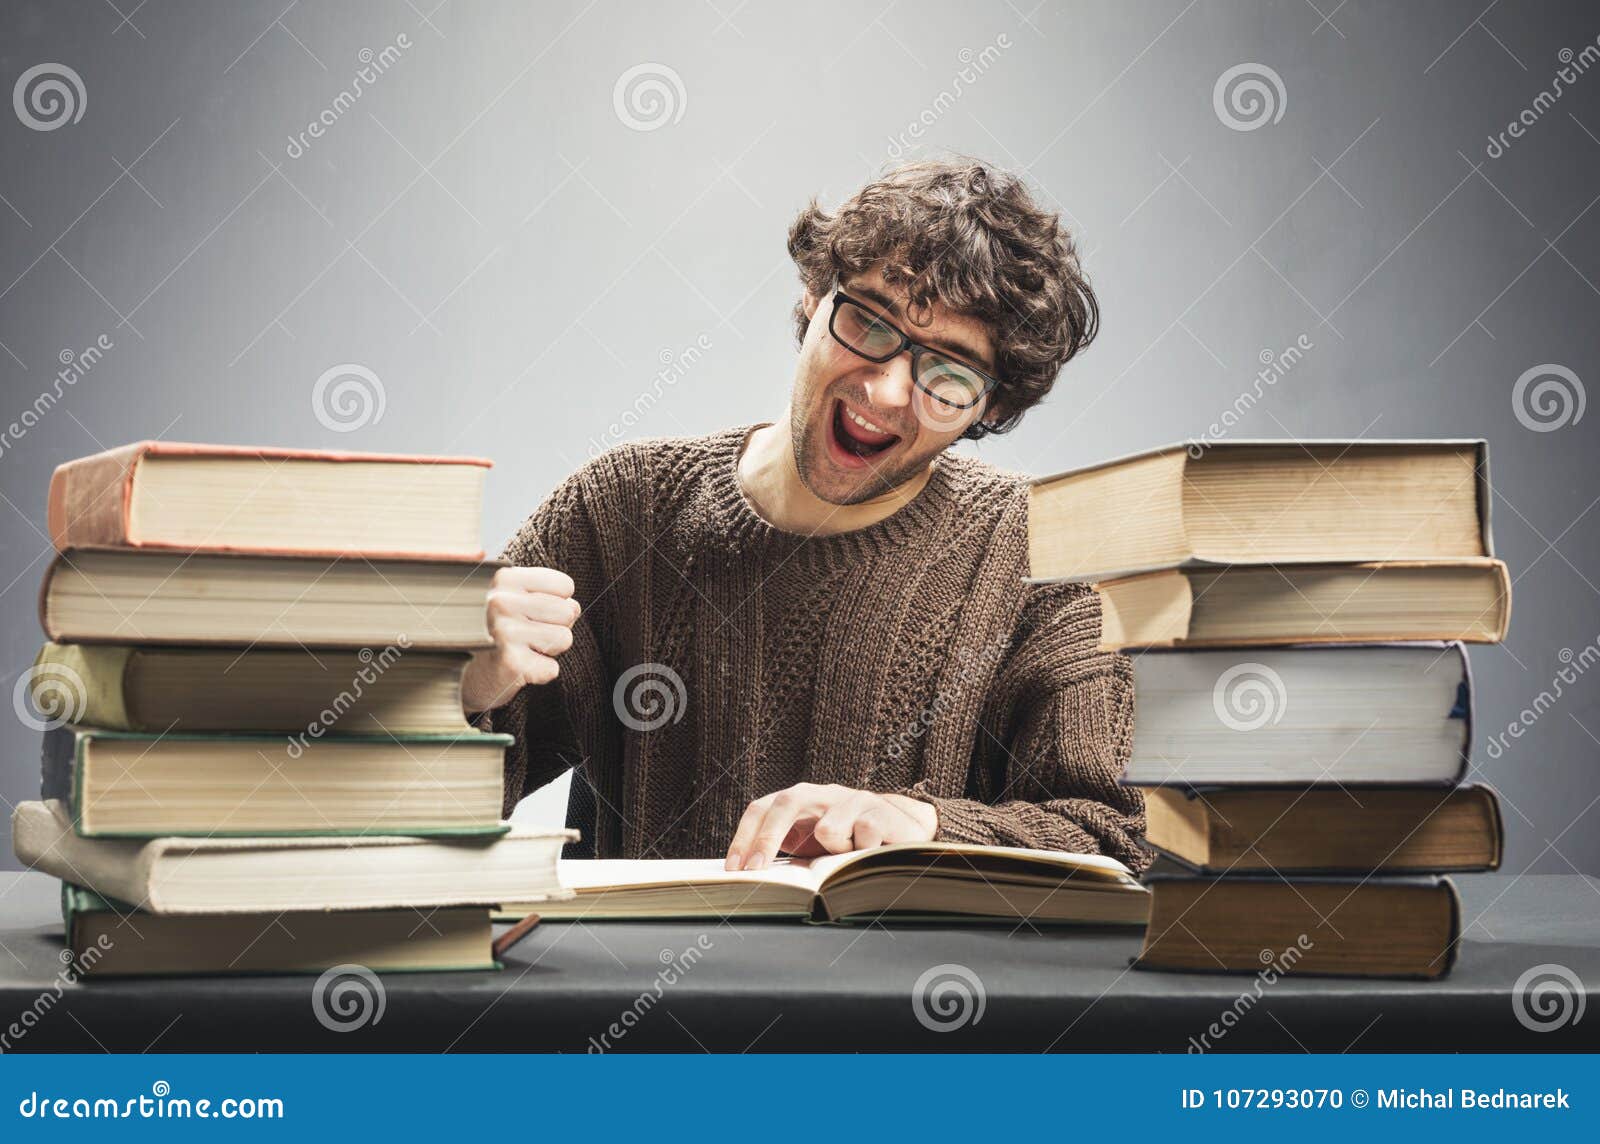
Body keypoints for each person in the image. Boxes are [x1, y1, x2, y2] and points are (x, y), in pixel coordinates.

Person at [464, 158, 1148, 874]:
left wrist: (927, 822)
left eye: (948, 372)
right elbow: (417, 815)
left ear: (995, 406)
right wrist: (461, 689)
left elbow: (1109, 836)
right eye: (869, 323)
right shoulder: (621, 512)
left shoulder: (1047, 551)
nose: (885, 392)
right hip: (639, 988)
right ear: (813, 297)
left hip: (918, 989)